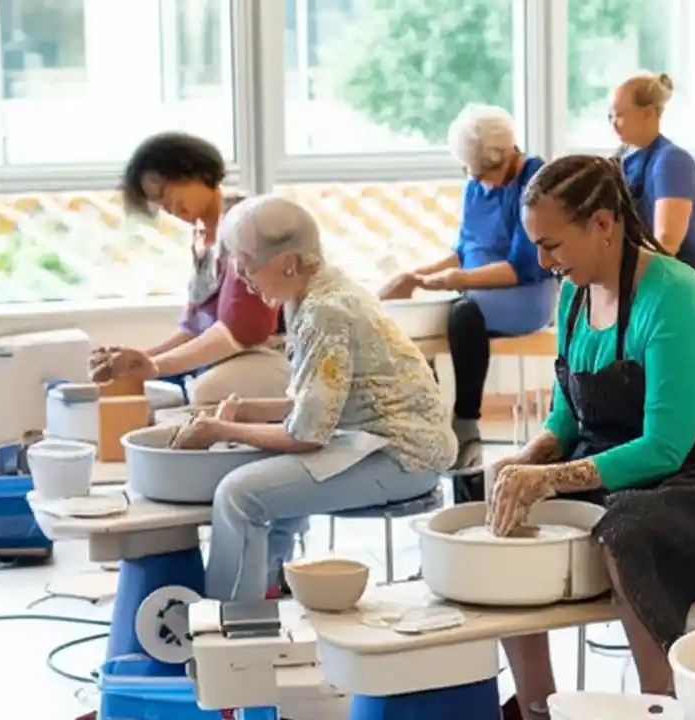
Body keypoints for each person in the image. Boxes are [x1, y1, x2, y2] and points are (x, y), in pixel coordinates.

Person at [485, 155, 695, 719]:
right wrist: (522, 462)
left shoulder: (674, 292)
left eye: (552, 245)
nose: (543, 262)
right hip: (615, 466)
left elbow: (665, 445)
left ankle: (658, 703)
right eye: (536, 245)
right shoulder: (572, 295)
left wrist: (549, 478)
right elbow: (567, 421)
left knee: (628, 532)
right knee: (491, 492)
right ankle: (538, 706)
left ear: (602, 225)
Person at [171, 196, 457, 601]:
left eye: (247, 261)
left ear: (288, 261)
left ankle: (230, 623)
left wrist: (220, 428)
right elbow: (319, 400)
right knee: (265, 470)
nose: (241, 274)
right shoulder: (315, 290)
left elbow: (308, 434)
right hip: (375, 441)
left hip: (403, 458)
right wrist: (251, 411)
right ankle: (265, 590)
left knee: (239, 494)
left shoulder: (326, 310)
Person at [380, 104, 556, 486]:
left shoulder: (535, 182)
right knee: (417, 322)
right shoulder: (476, 185)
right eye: (472, 174)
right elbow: (462, 249)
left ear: (506, 155)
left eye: (484, 173)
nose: (480, 182)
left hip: (525, 293)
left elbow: (522, 267)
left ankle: (466, 421)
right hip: (473, 290)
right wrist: (416, 276)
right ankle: (426, 421)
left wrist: (456, 279)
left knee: (462, 313)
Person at [94, 132, 289, 404]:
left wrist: (155, 366)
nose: (167, 206)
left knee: (206, 391)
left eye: (166, 190)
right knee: (134, 387)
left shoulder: (247, 222)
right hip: (230, 351)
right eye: (158, 201)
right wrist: (138, 361)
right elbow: (195, 329)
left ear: (195, 170)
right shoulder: (201, 239)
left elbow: (244, 330)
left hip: (273, 353)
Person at [610, 72, 695, 297]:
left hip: (679, 288)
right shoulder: (623, 163)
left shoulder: (672, 161)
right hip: (648, 281)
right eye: (611, 115)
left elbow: (666, 243)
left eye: (620, 115)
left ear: (647, 113)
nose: (614, 123)